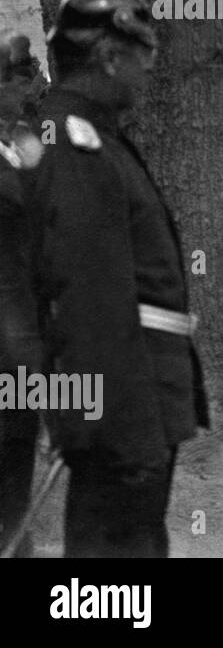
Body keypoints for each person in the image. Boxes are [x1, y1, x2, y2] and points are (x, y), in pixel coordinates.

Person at [27, 0, 208, 556]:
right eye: (143, 51)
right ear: (109, 56)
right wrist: (117, 431)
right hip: (124, 413)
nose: (151, 65)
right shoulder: (77, 147)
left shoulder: (95, 136)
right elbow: (89, 302)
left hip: (138, 397)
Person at [0, 31, 43, 558]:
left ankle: (16, 533)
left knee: (18, 436)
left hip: (22, 324)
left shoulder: (21, 147)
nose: (28, 93)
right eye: (18, 83)